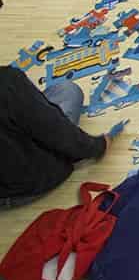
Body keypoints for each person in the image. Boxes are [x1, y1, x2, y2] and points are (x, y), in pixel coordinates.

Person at [1, 67, 120, 209]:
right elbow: (56, 131)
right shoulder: (7, 80)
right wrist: (99, 146)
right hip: (29, 184)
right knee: (69, 90)